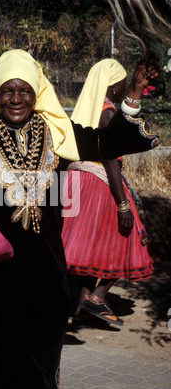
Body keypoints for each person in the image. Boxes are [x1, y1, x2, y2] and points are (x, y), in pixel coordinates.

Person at [0, 49, 159, 389]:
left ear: (36, 91)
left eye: (24, 90)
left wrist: (134, 95)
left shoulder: (56, 131)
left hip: (47, 265)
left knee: (46, 343)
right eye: (7, 90)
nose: (16, 98)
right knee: (3, 347)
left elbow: (109, 143)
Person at [62, 59, 154, 326]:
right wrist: (123, 204)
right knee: (128, 238)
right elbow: (111, 157)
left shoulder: (88, 110)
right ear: (113, 85)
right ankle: (97, 296)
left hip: (77, 182)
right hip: (100, 185)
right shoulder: (107, 113)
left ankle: (78, 303)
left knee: (86, 246)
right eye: (123, 81)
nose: (125, 85)